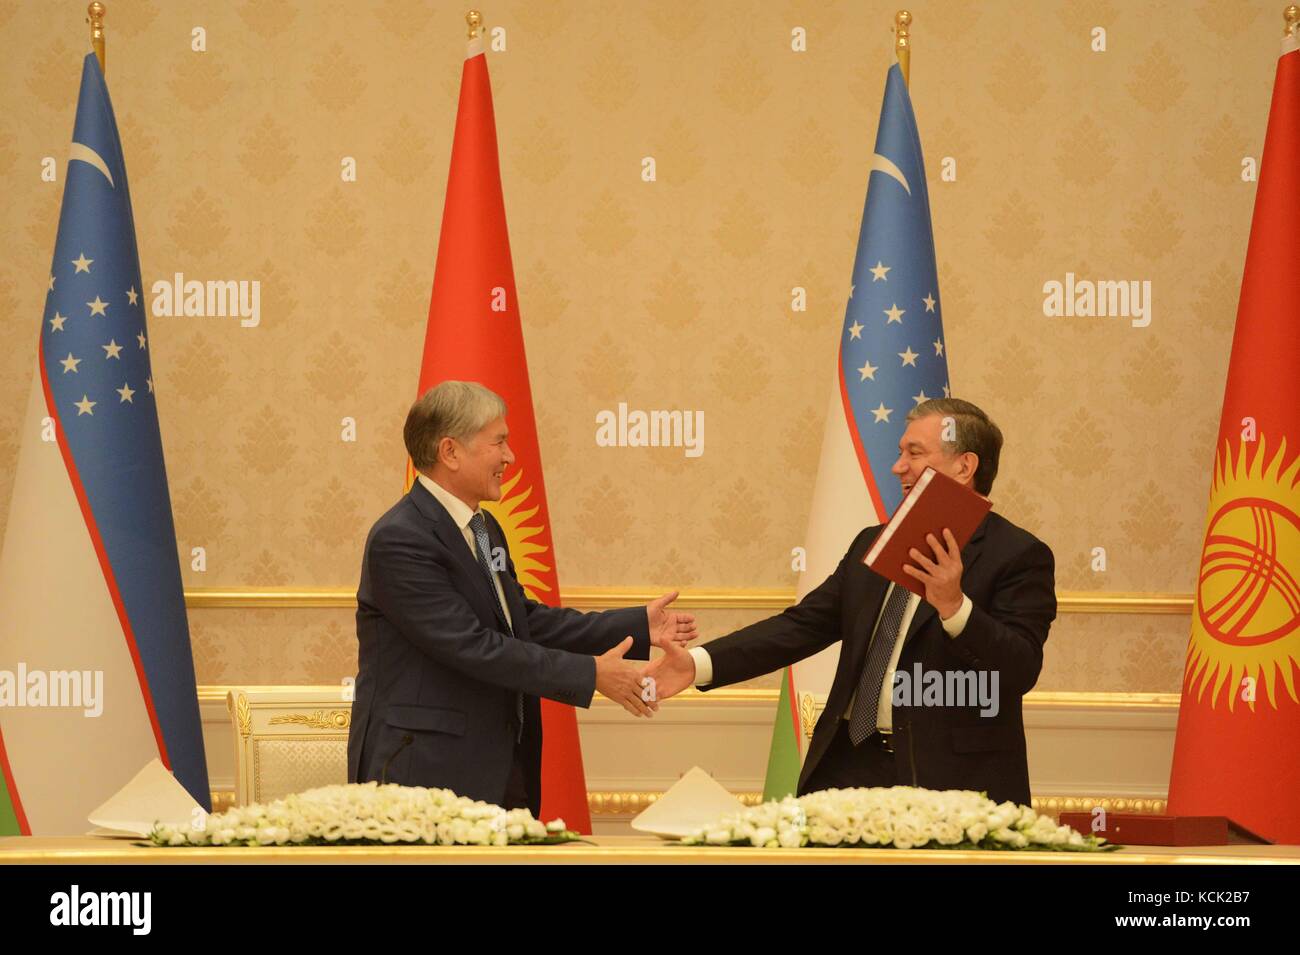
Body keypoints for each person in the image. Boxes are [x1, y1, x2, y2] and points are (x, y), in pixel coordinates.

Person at [646, 398, 1055, 806]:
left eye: (914, 453)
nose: (898, 467)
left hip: (952, 784)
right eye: (900, 453)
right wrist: (698, 663)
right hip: (847, 768)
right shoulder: (872, 543)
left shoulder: (1017, 555)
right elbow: (801, 626)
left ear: (965, 466)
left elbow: (1019, 669)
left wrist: (955, 607)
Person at [347, 381, 697, 814]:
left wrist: (635, 625)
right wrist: (591, 674)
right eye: (499, 442)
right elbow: (471, 645)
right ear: (450, 452)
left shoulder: (484, 528)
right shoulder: (400, 539)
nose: (510, 457)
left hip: (499, 763)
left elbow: (522, 621)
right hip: (424, 775)